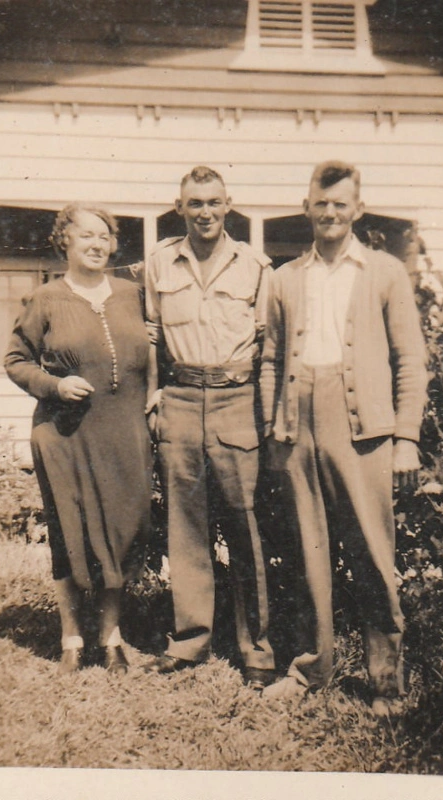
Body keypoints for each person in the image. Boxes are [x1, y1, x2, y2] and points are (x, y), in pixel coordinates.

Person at [260, 161, 428, 714]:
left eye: (340, 204)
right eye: (320, 202)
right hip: (297, 426)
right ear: (306, 207)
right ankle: (313, 671)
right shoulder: (286, 277)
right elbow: (270, 360)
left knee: (373, 557)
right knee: (309, 555)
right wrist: (273, 427)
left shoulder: (383, 272)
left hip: (363, 431)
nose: (330, 213)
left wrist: (406, 437)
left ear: (357, 209)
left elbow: (410, 360)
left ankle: (387, 683)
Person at [5, 203, 151, 675]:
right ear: (64, 240)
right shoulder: (45, 299)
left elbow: (159, 350)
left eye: (104, 235)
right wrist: (54, 386)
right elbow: (15, 360)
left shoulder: (134, 295)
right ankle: (71, 638)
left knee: (122, 531)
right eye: (85, 234)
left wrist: (161, 387)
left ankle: (111, 636)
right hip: (64, 432)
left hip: (125, 431)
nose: (96, 243)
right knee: (70, 533)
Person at [143, 166, 275, 689]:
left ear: (229, 206)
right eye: (195, 203)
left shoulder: (256, 266)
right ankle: (190, 640)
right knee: (186, 526)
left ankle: (257, 650)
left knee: (246, 528)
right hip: (179, 398)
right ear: (180, 207)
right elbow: (153, 335)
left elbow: (268, 343)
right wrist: (155, 395)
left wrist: (264, 412)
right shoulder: (159, 263)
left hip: (236, 400)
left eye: (214, 202)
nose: (204, 212)